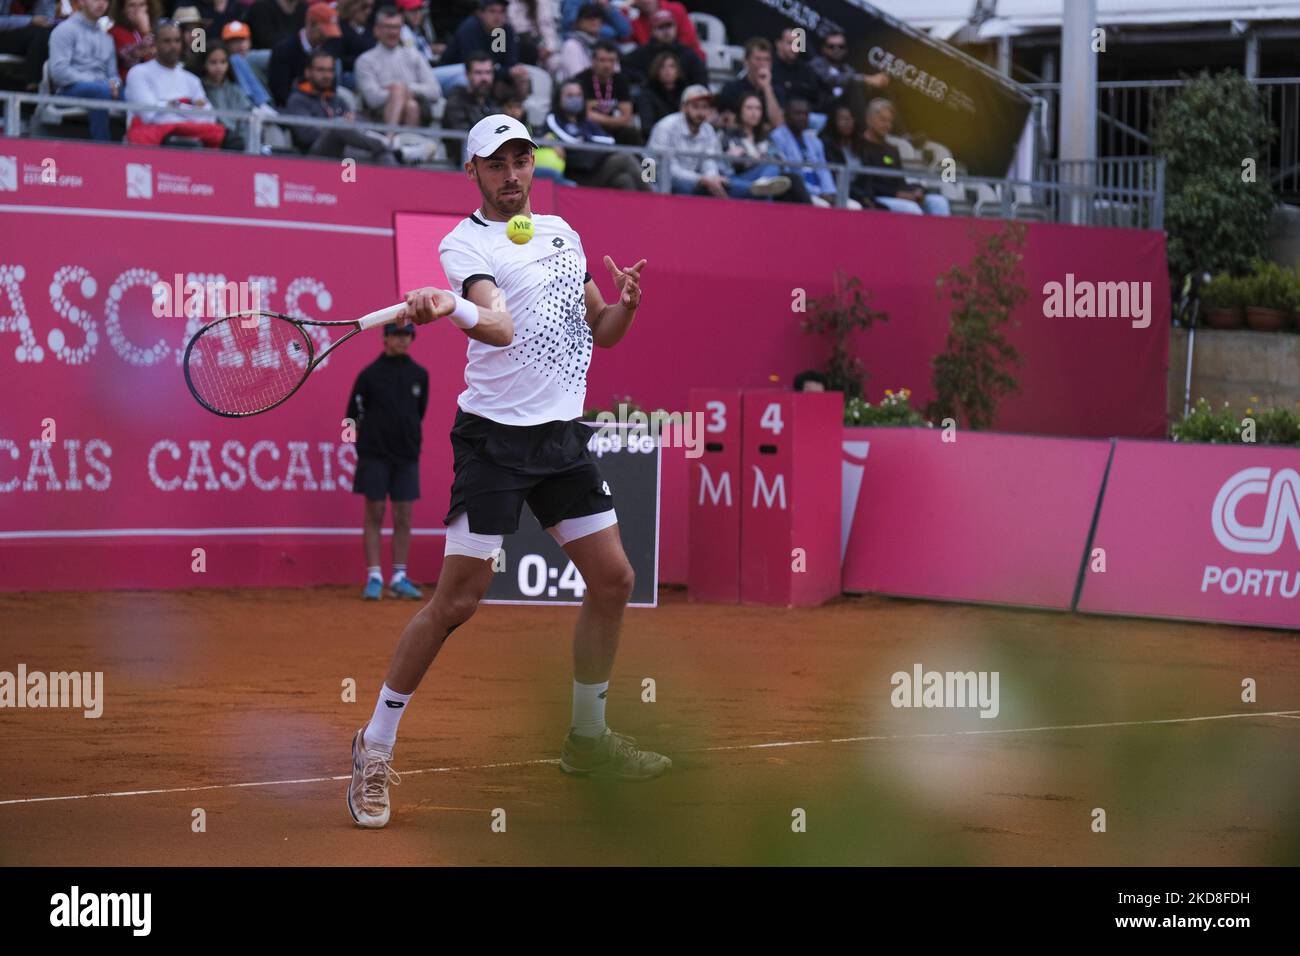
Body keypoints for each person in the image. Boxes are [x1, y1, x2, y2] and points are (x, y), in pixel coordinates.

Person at [346, 113, 670, 829]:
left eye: (522, 160)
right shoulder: (464, 243)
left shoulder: (562, 234)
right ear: (474, 173)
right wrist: (454, 302)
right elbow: (497, 324)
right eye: (497, 164)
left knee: (613, 578)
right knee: (456, 602)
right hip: (494, 443)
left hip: (560, 438)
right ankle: (374, 744)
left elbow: (600, 331)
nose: (513, 175)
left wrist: (626, 307)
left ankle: (587, 740)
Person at [346, 322, 429, 601]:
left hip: (406, 457)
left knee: (404, 514)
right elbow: (350, 416)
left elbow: (418, 413)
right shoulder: (368, 376)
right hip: (374, 456)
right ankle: (374, 577)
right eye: (396, 334)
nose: (402, 340)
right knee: (375, 512)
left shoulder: (420, 375)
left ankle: (398, 577)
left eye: (407, 335)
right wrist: (358, 448)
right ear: (385, 337)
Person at [648, 85, 789, 200]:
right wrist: (702, 179)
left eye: (705, 107)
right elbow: (667, 168)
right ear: (684, 107)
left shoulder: (708, 130)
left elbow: (710, 161)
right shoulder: (666, 127)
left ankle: (755, 190)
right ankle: (752, 188)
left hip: (697, 180)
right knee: (692, 185)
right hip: (659, 179)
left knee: (770, 169)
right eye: (696, 107)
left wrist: (712, 178)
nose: (701, 112)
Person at [124, 20, 227, 146]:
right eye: (167, 41)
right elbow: (149, 115)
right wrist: (188, 107)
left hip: (190, 134)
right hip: (155, 139)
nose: (173, 46)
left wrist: (172, 105)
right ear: (155, 44)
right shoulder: (138, 73)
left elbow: (209, 117)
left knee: (231, 139)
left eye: (177, 41)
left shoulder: (192, 80)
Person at [285, 49, 397, 162]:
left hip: (346, 152)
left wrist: (353, 121)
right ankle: (387, 145)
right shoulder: (297, 100)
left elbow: (361, 125)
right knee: (339, 126)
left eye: (330, 70)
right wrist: (339, 125)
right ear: (308, 72)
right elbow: (306, 135)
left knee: (381, 155)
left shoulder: (338, 99)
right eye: (320, 70)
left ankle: (392, 162)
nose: (327, 75)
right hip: (314, 157)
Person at [545, 78, 646, 191]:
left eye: (578, 95)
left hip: (595, 168)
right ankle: (655, 197)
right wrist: (588, 141)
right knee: (625, 158)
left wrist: (586, 140)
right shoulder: (553, 119)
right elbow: (572, 141)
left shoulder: (586, 122)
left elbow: (609, 141)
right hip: (575, 174)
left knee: (624, 180)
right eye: (570, 95)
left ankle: (644, 207)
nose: (575, 99)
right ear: (559, 98)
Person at [860, 98, 949, 216]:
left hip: (898, 195)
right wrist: (899, 195)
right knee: (911, 208)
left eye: (890, 121)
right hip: (875, 197)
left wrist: (917, 191)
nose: (887, 125)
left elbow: (900, 181)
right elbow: (864, 184)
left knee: (939, 202)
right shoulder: (859, 146)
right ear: (869, 120)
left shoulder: (892, 149)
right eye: (882, 120)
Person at [355, 5, 442, 125]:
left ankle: (393, 140)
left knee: (411, 105)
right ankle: (394, 138)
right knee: (407, 102)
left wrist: (405, 88)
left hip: (418, 111)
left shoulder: (414, 55)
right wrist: (397, 93)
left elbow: (435, 91)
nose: (393, 32)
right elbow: (372, 99)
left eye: (397, 27)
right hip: (379, 116)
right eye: (388, 27)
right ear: (377, 30)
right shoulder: (365, 60)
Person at [48, 0, 119, 142]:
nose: (101, 4)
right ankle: (103, 148)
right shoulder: (64, 30)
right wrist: (100, 83)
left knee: (131, 93)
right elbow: (59, 72)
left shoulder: (107, 38)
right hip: (68, 90)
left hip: (101, 88)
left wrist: (115, 84)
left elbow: (113, 74)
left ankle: (145, 153)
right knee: (100, 91)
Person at [721, 91, 804, 203]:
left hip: (765, 175)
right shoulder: (728, 135)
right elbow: (734, 163)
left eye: (758, 108)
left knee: (772, 170)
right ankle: (759, 186)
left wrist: (753, 158)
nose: (754, 113)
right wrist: (758, 158)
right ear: (740, 110)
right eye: (749, 108)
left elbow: (779, 159)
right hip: (738, 180)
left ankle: (762, 185)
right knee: (769, 178)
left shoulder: (766, 137)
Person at [441, 0, 530, 99]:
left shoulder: (502, 31)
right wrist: (506, 72)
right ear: (480, 13)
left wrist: (514, 72)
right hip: (453, 74)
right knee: (478, 75)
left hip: (486, 72)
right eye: (492, 11)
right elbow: (474, 64)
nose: (497, 16)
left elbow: (509, 62)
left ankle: (517, 110)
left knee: (521, 78)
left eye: (501, 12)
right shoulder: (470, 29)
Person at [268, 2, 342, 107]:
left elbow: (331, 89)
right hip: (294, 109)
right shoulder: (284, 50)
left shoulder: (329, 48)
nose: (327, 36)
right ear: (311, 24)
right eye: (323, 32)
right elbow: (280, 92)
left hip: (323, 107)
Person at [770, 96, 838, 207]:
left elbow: (823, 169)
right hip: (800, 193)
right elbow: (787, 173)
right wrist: (817, 193)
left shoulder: (814, 140)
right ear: (786, 116)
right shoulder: (777, 137)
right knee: (824, 207)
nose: (802, 117)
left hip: (821, 192)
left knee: (854, 207)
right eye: (797, 113)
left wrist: (829, 191)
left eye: (806, 114)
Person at [808, 29, 887, 116]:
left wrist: (872, 84)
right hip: (818, 113)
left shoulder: (849, 70)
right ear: (824, 48)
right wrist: (865, 79)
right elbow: (830, 80)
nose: (836, 50)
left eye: (841, 47)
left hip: (843, 118)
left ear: (846, 49)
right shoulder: (815, 65)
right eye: (831, 46)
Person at [573, 39, 637, 145]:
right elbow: (583, 114)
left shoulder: (621, 80)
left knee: (631, 134)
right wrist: (614, 120)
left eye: (611, 61)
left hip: (615, 129)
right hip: (588, 128)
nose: (607, 65)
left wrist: (599, 117)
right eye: (602, 60)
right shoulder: (581, 80)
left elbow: (626, 116)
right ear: (593, 61)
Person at [620, 8, 704, 87]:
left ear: (675, 27)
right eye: (661, 27)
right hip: (651, 97)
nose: (666, 31)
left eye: (669, 26)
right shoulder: (642, 53)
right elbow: (623, 66)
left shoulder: (688, 54)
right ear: (652, 31)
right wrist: (642, 79)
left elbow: (700, 79)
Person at [440, 51, 499, 159]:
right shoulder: (456, 101)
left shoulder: (494, 101)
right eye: (478, 73)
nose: (484, 78)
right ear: (467, 74)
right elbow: (465, 140)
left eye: (488, 72)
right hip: (463, 164)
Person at [717, 37, 783, 129]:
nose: (763, 64)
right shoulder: (731, 89)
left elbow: (778, 125)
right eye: (758, 59)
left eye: (766, 59)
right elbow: (725, 120)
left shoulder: (776, 91)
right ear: (746, 61)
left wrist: (767, 87)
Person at [199, 41, 251, 147]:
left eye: (223, 62)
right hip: (209, 142)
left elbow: (246, 121)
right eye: (213, 62)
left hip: (236, 143)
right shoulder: (198, 89)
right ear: (204, 64)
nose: (219, 67)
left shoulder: (236, 91)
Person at [0, 0, 54, 92]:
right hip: (4, 35)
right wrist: (30, 20)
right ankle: (33, 86)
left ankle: (38, 86)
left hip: (31, 39)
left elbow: (46, 19)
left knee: (50, 33)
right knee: (40, 35)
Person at [221, 19, 274, 107]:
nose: (239, 44)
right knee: (235, 59)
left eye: (242, 39)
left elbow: (279, 54)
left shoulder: (255, 57)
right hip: (241, 106)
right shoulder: (224, 61)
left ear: (249, 41)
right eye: (234, 41)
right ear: (226, 45)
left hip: (269, 103)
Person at [627, 0, 700, 61]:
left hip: (685, 61)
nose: (646, 1)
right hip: (653, 66)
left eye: (668, 25)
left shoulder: (676, 9)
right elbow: (623, 37)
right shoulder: (635, 22)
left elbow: (689, 40)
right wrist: (625, 7)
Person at [632, 49, 683, 132]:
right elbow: (647, 126)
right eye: (662, 66)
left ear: (678, 70)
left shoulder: (685, 92)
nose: (667, 70)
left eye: (672, 66)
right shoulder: (646, 95)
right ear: (656, 70)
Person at [551, 0, 599, 85]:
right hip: (578, 92)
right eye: (589, 18)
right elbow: (578, 79)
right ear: (578, 21)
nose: (594, 22)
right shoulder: (571, 46)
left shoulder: (603, 45)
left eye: (597, 18)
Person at [771, 26, 820, 109]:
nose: (795, 48)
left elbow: (815, 95)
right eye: (790, 43)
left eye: (797, 44)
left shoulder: (806, 69)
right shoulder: (769, 65)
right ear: (778, 44)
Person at [107, 0, 156, 83]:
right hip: (129, 83)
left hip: (151, 81)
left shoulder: (143, 32)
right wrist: (146, 31)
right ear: (123, 10)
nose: (138, 10)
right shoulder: (115, 32)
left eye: (142, 5)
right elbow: (130, 58)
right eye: (132, 5)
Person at [507, 0, 558, 68]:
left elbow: (547, 26)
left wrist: (549, 48)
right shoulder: (507, 3)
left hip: (533, 42)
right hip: (511, 42)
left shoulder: (541, 2)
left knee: (553, 62)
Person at [336, 0, 375, 77]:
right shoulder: (339, 28)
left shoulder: (371, 28)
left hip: (372, 73)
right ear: (352, 6)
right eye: (364, 6)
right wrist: (363, 62)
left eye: (371, 7)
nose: (368, 11)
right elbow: (338, 57)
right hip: (348, 74)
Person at [558, 0, 626, 43]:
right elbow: (572, 24)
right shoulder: (574, 1)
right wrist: (611, 32)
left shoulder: (606, 3)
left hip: (602, 47)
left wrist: (607, 7)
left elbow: (625, 31)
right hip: (575, 43)